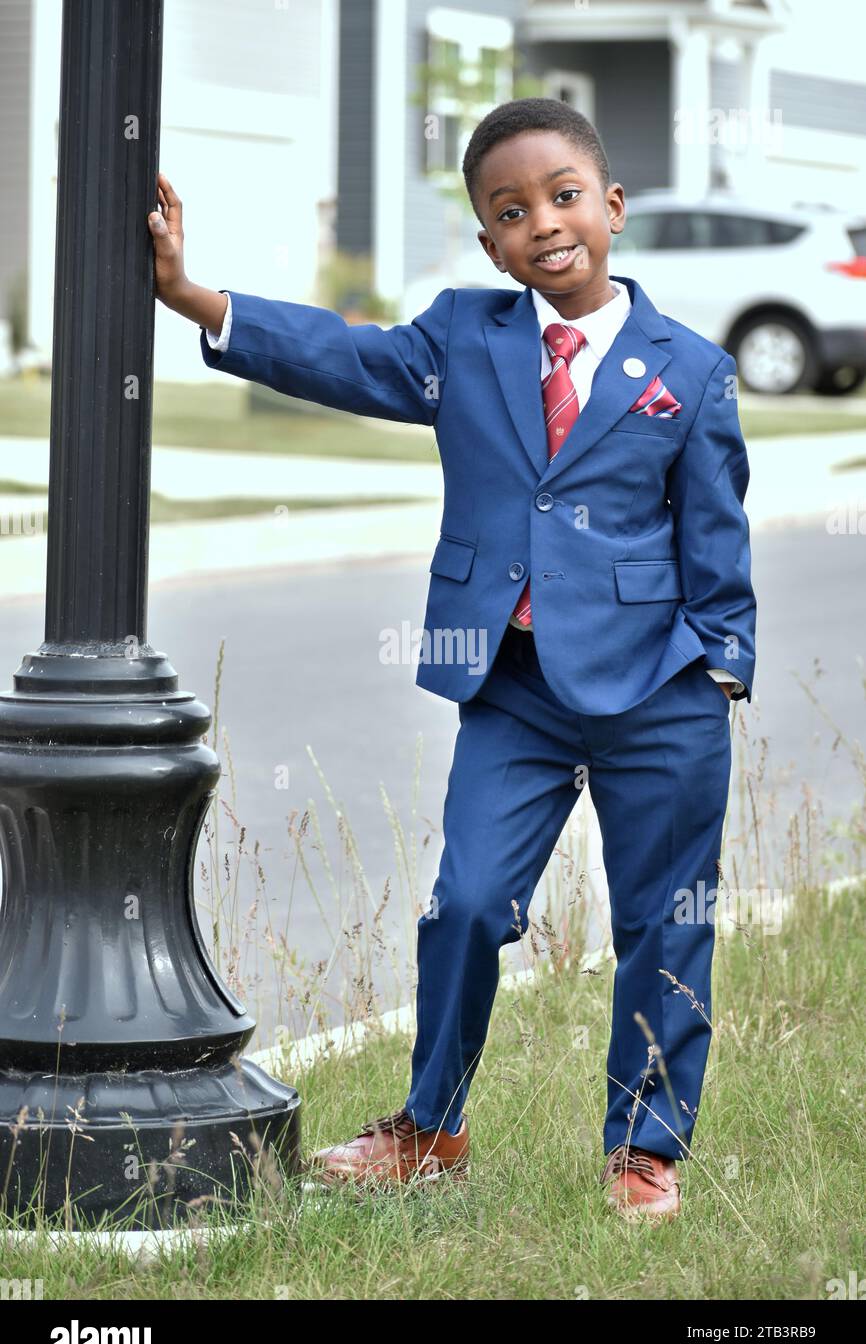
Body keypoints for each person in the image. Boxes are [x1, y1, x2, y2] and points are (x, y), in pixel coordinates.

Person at [149, 97, 756, 1222]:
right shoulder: (460, 341)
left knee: (664, 918)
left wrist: (720, 666)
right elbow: (341, 354)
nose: (543, 223)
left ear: (610, 207)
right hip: (508, 690)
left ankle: (645, 1146)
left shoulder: (693, 368)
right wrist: (196, 296)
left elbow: (714, 533)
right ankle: (430, 1128)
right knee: (466, 901)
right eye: (510, 210)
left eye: (563, 196)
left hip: (658, 692)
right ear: (488, 242)